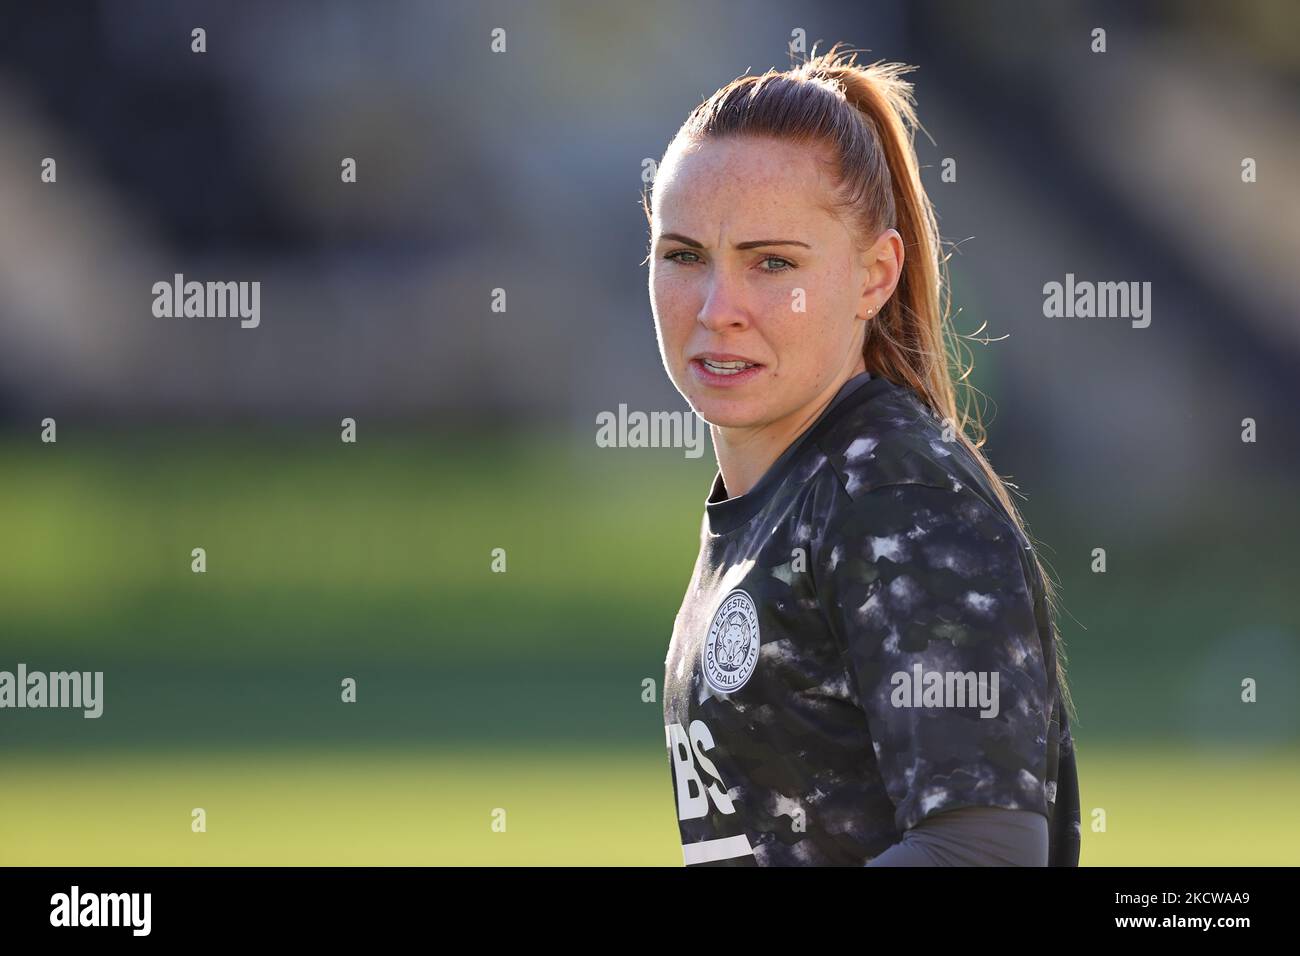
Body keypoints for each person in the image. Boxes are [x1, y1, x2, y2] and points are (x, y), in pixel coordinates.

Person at [646, 42, 1080, 866]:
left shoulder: (898, 493)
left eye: (773, 263)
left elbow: (982, 855)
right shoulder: (784, 496)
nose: (718, 308)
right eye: (683, 256)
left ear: (875, 275)